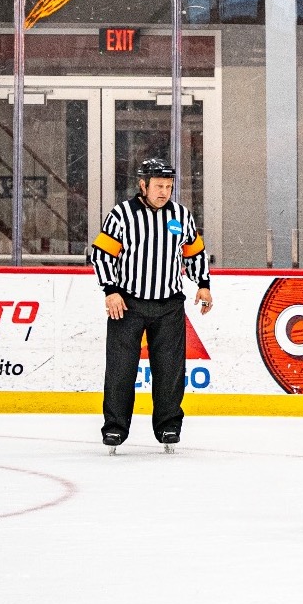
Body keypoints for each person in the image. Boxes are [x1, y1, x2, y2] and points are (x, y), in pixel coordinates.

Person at [91, 157, 212, 452]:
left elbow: (195, 253)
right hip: (127, 304)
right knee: (121, 369)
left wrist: (204, 285)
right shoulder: (121, 215)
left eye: (169, 187)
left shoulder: (181, 216)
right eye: (159, 186)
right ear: (143, 185)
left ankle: (169, 426)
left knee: (170, 371)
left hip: (169, 305)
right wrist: (110, 290)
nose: (164, 192)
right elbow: (101, 254)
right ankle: (116, 429)